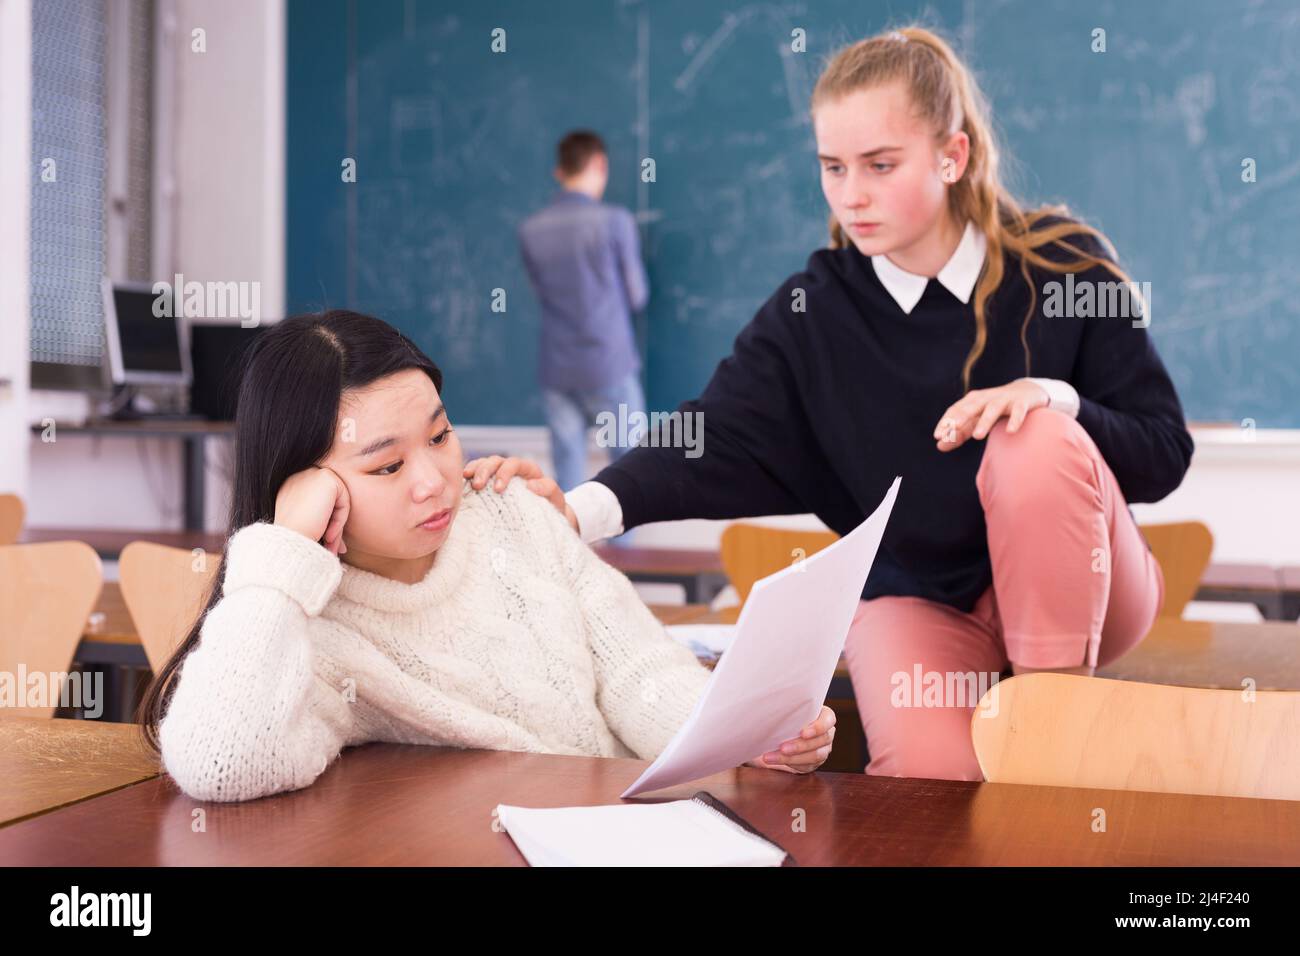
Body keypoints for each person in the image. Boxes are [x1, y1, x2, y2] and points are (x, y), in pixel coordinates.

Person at [466, 26, 1193, 783]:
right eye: (833, 167)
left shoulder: (1065, 262)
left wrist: (1051, 395)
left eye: (881, 165)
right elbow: (710, 433)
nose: (852, 195)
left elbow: (1162, 453)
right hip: (922, 603)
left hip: (1091, 596)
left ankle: (1054, 725)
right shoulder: (815, 309)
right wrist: (577, 511)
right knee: (927, 798)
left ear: (953, 156)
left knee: (1030, 437)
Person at [137, 311, 834, 803]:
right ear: (304, 486)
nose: (433, 479)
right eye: (385, 468)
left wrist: (740, 730)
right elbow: (220, 765)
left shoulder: (512, 514)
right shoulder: (310, 632)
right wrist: (284, 557)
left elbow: (635, 671)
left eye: (440, 436)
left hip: (626, 831)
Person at [518, 130, 649, 493]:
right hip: (610, 361)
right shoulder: (615, 222)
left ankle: (569, 548)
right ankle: (626, 551)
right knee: (630, 473)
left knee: (568, 475)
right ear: (599, 164)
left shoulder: (531, 229)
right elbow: (637, 296)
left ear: (559, 172)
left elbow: (541, 291)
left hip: (558, 367)